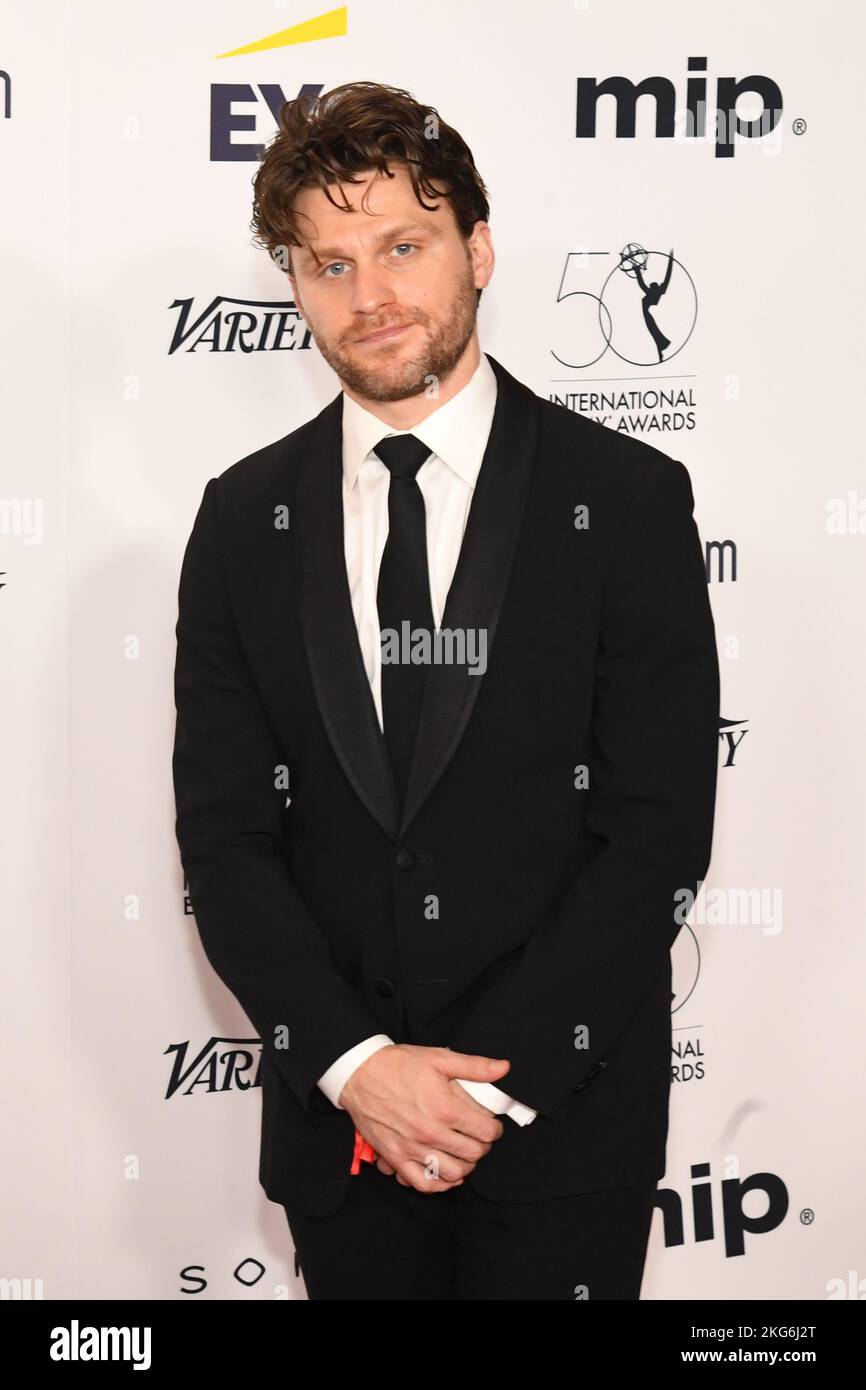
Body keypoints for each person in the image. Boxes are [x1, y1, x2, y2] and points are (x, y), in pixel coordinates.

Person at [171, 80, 720, 1300]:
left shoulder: (623, 500)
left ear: (476, 248)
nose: (367, 298)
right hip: (342, 1137)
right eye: (326, 264)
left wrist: (473, 1089)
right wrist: (360, 1064)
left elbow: (654, 834)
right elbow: (224, 838)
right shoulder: (241, 518)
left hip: (558, 1135)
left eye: (401, 247)